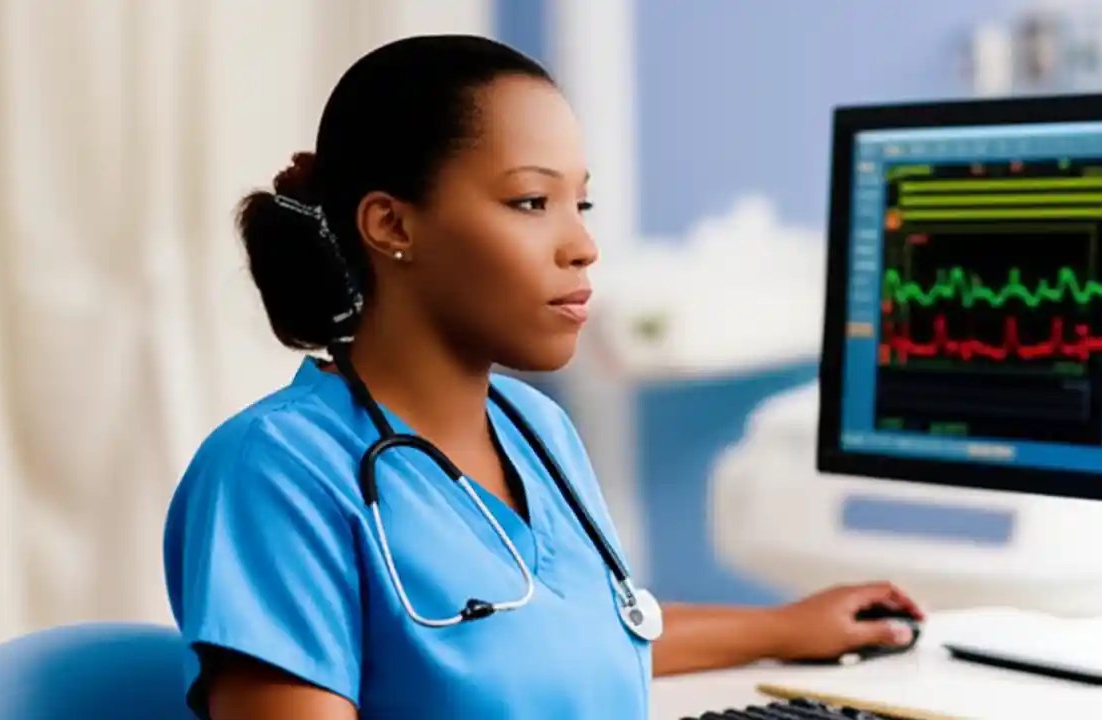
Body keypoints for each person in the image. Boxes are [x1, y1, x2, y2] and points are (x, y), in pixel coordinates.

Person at [162, 34, 922, 720]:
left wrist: (786, 628)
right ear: (392, 225)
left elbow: (563, 636)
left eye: (579, 202)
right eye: (531, 201)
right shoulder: (275, 472)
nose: (583, 244)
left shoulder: (535, 428)